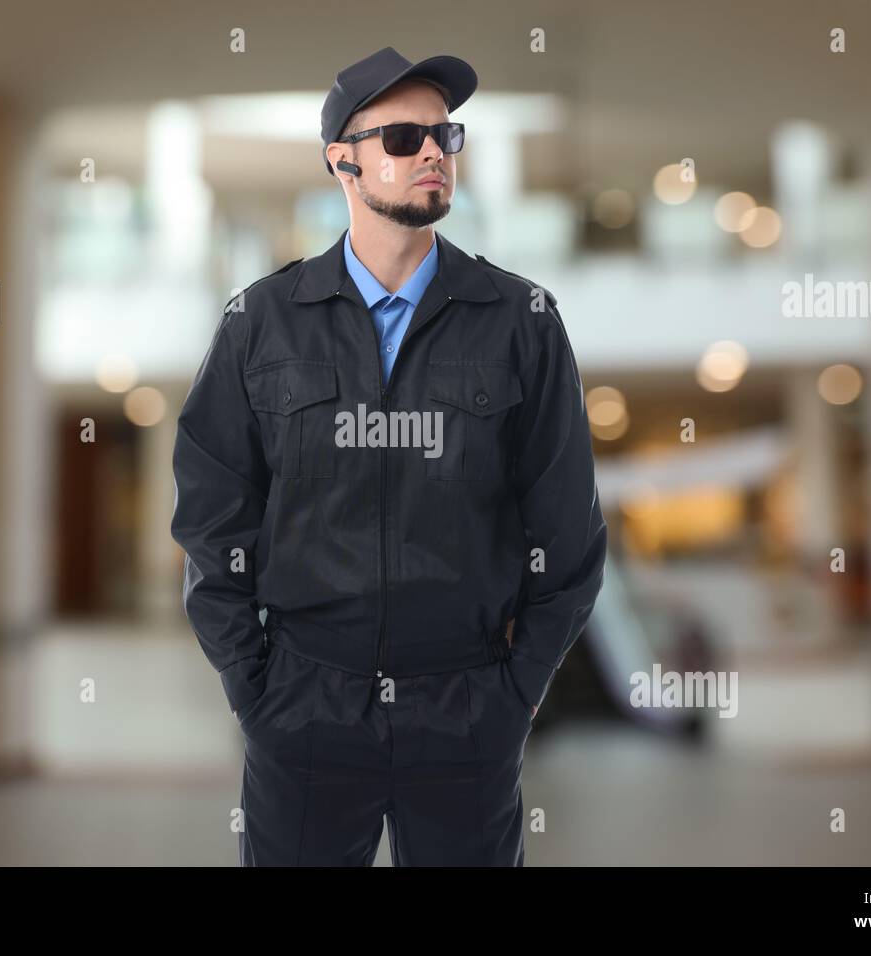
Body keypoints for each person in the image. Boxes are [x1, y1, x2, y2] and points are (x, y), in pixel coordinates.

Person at [170, 46, 607, 866]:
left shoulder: (521, 321)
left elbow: (569, 536)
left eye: (446, 134)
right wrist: (255, 689)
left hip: (466, 709)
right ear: (343, 160)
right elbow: (210, 520)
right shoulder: (259, 324)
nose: (434, 153)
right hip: (303, 707)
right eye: (405, 138)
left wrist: (513, 696)